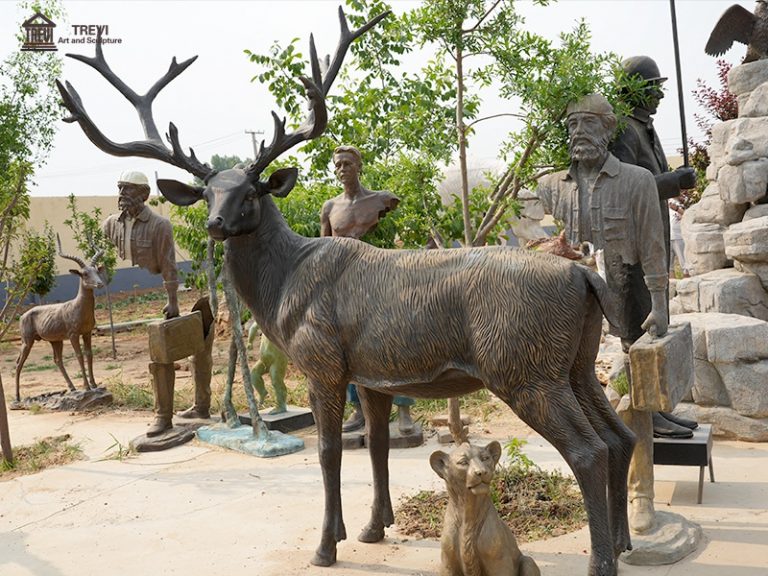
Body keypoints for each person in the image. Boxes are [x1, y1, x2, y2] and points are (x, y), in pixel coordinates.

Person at [536, 94, 668, 534]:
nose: (578, 132)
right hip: (566, 320)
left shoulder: (637, 181)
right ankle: (602, 494)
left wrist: (661, 306)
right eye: (572, 124)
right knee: (580, 404)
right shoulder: (550, 186)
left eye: (589, 123)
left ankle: (641, 492)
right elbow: (530, 250)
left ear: (609, 128)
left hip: (625, 312)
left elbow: (653, 249)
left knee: (634, 401)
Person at [610, 55, 699, 440]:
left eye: (661, 86)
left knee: (654, 332)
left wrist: (674, 181)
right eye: (653, 87)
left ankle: (657, 408)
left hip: (652, 249)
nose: (661, 94)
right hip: (630, 256)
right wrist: (671, 181)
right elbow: (622, 187)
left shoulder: (644, 127)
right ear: (635, 90)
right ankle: (645, 416)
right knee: (636, 335)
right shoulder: (622, 132)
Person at [320, 145, 415, 435]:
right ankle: (358, 409)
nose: (342, 169)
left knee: (393, 345)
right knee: (348, 350)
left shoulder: (382, 200)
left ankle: (403, 409)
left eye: (348, 163)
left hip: (378, 280)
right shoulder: (330, 208)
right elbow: (322, 250)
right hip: (344, 287)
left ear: (359, 166)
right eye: (337, 165)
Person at [102, 170, 180, 320]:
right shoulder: (110, 224)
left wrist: (172, 301)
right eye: (120, 188)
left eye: (129, 188)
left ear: (144, 194)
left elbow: (168, 264)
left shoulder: (160, 225)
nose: (122, 193)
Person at [668, 197, 688, 278]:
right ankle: (672, 288)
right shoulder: (666, 201)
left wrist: (677, 209)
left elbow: (687, 215)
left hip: (679, 236)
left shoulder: (681, 202)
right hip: (668, 237)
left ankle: (688, 287)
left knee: (685, 265)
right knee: (669, 267)